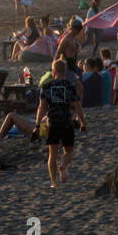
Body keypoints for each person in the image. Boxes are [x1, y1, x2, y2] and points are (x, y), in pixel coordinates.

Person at [35, 59, 86, 189]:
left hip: (52, 122)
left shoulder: (46, 87)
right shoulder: (69, 86)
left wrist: (37, 124)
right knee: (68, 151)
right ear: (64, 71)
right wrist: (82, 122)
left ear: (53, 71)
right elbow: (77, 106)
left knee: (53, 154)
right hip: (66, 122)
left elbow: (42, 107)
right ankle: (63, 166)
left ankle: (53, 182)